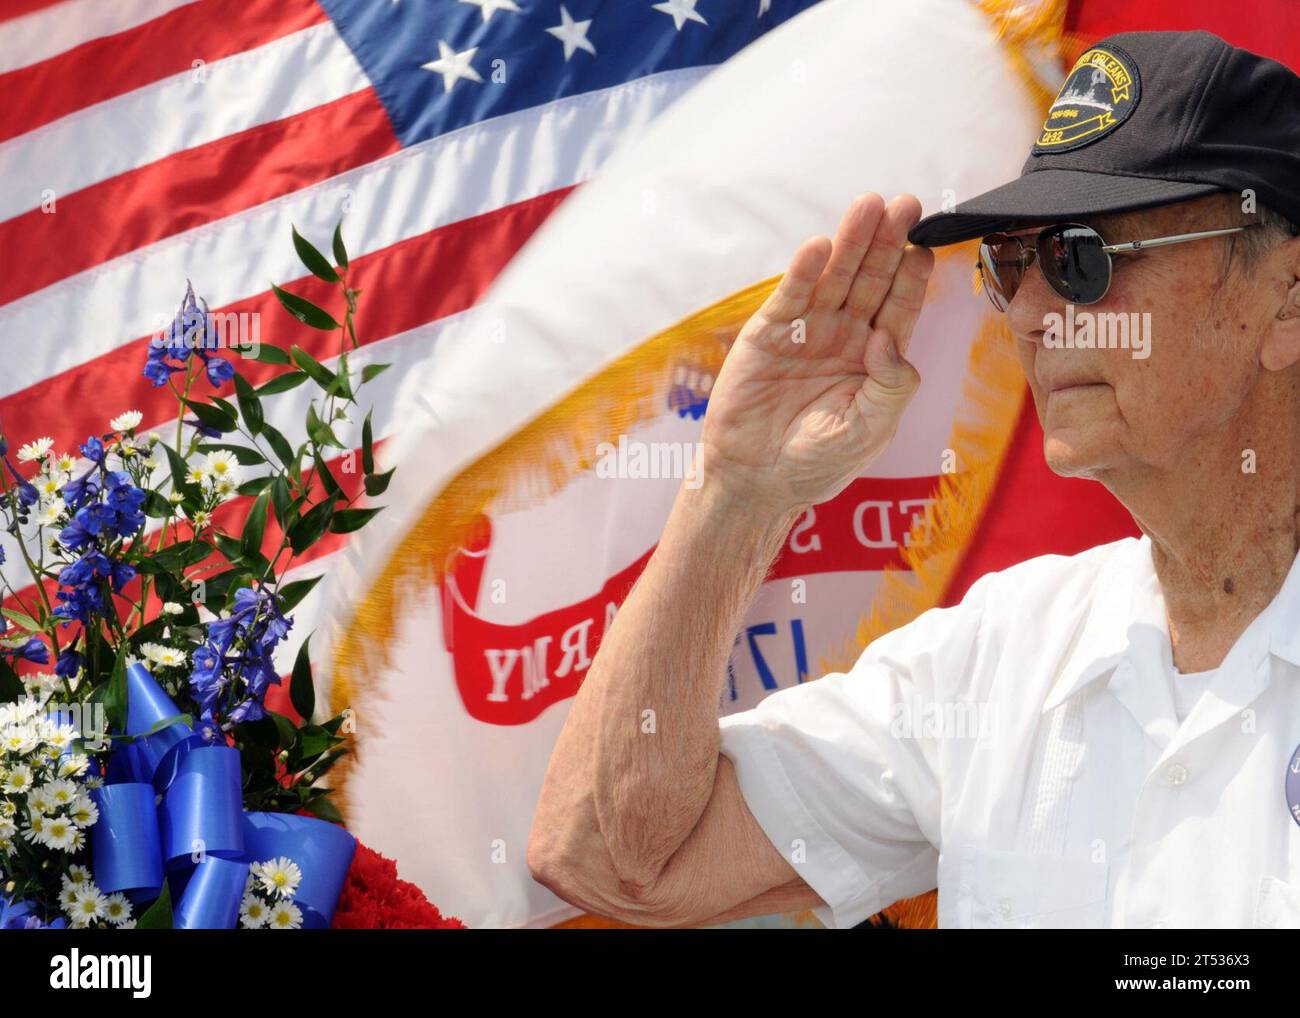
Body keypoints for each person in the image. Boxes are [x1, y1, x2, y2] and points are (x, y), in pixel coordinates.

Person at [526, 30, 1300, 928]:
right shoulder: (1000, 659)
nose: (1035, 315)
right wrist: (736, 494)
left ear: (1286, 298)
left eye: (1082, 257)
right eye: (1008, 267)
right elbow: (608, 860)